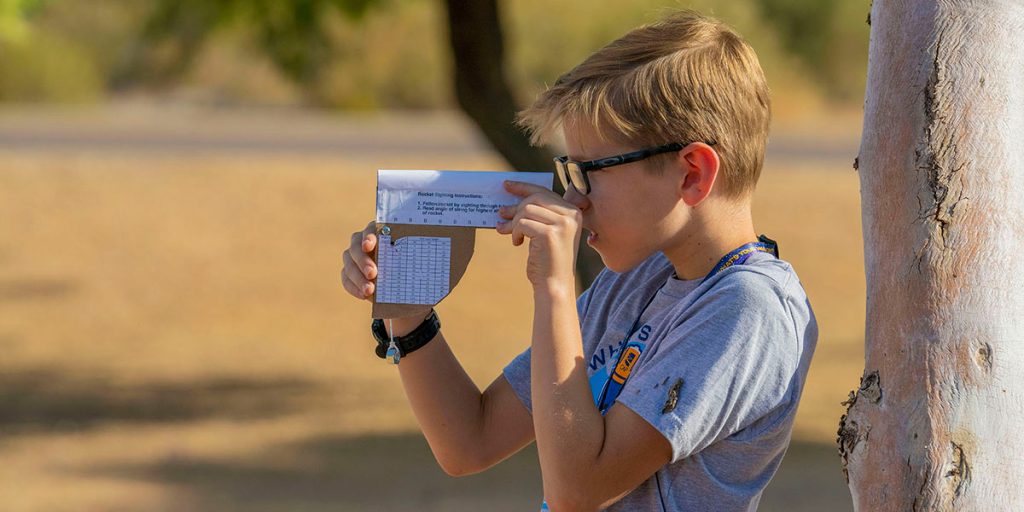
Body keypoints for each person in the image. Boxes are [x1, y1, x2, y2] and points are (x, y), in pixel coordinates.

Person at [341, 10, 817, 511]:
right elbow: (468, 441)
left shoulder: (748, 309)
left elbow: (576, 491)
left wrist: (555, 288)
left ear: (692, 174)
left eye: (591, 171)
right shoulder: (633, 281)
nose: (574, 199)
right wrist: (405, 308)